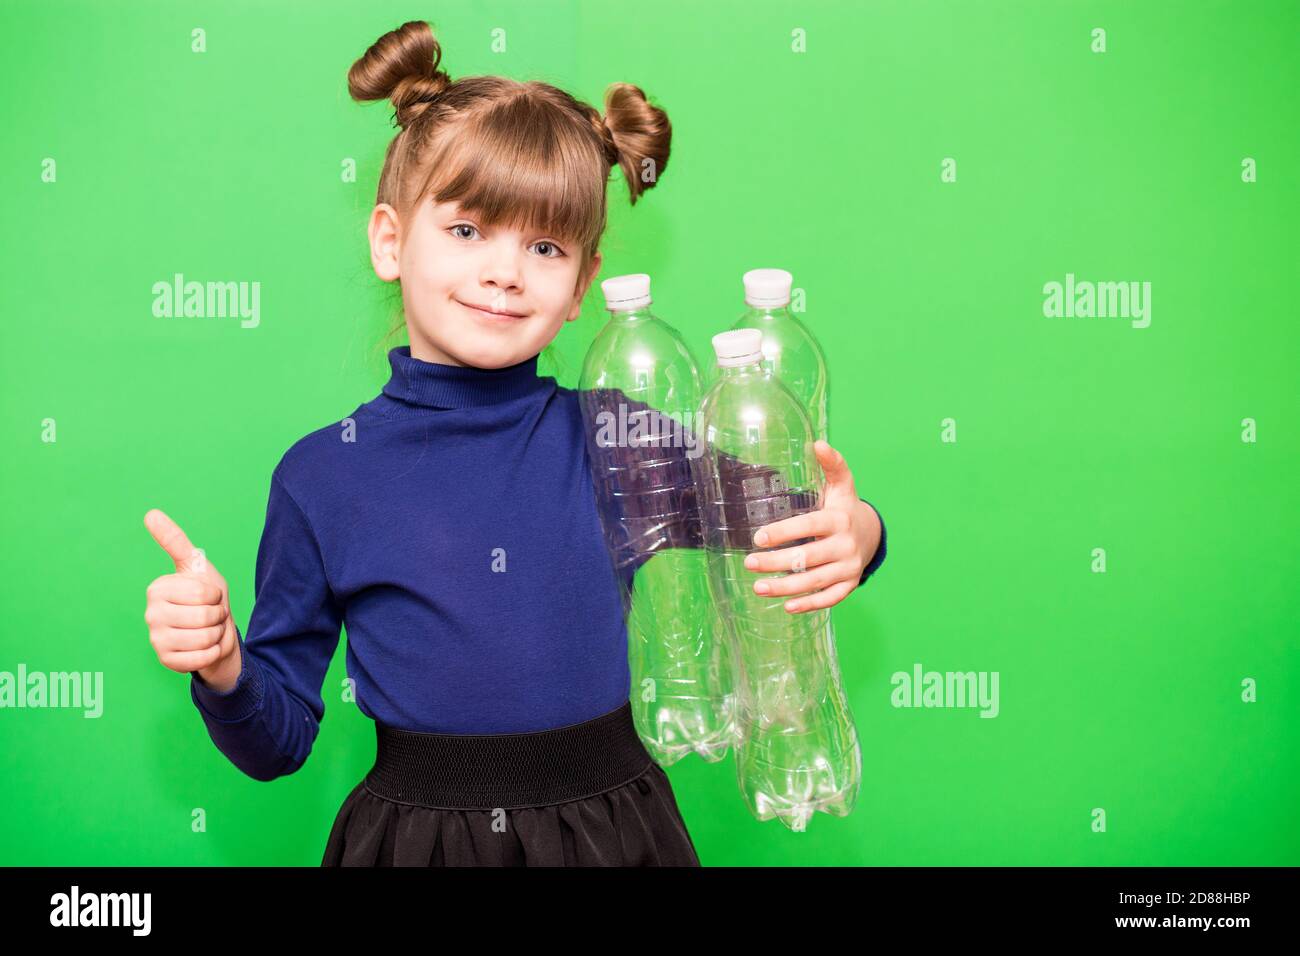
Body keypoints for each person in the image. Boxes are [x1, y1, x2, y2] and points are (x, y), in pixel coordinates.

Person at [141, 19, 887, 867]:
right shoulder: (324, 474)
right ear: (390, 241)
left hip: (615, 838)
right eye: (467, 231)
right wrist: (224, 664)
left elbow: (796, 524)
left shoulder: (620, 438)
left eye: (544, 246)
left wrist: (856, 531)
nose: (506, 272)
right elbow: (275, 747)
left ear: (582, 286)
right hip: (415, 845)